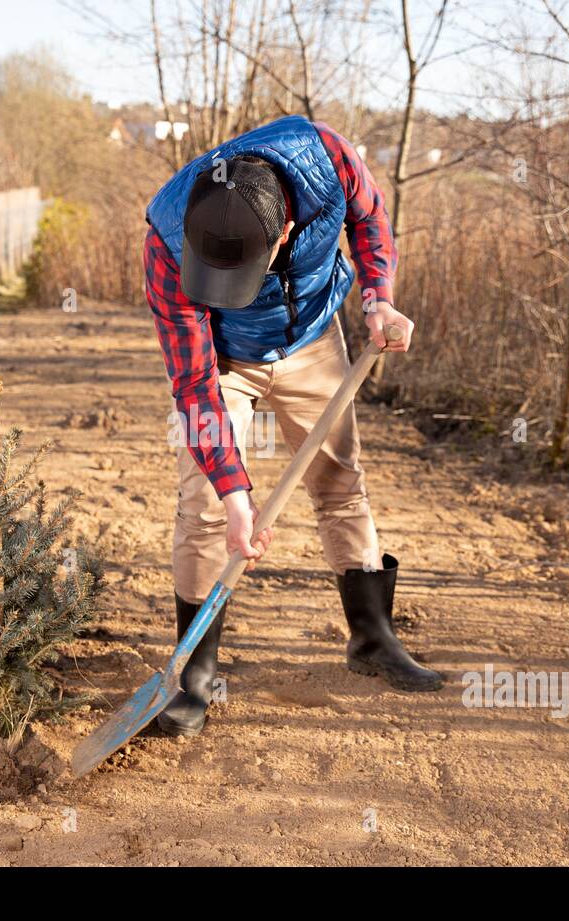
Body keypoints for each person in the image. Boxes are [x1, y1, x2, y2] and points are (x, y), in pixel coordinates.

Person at [144, 114, 443, 738]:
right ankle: (191, 684)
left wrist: (378, 298)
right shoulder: (166, 241)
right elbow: (194, 387)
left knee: (340, 480)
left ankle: (372, 640)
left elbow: (369, 219)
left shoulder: (326, 161)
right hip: (225, 359)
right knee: (203, 502)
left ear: (285, 230)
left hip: (312, 338)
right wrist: (235, 492)